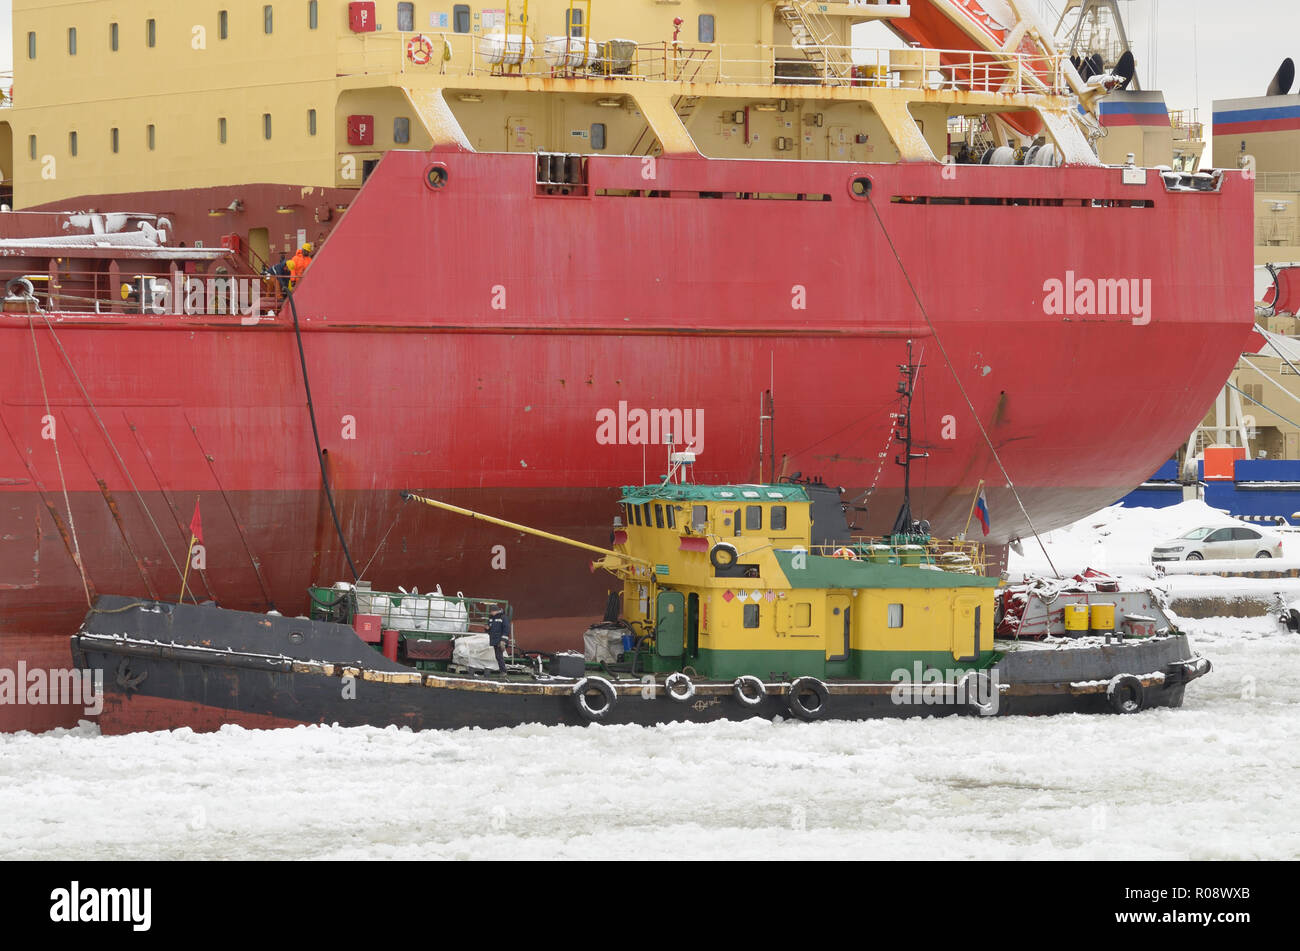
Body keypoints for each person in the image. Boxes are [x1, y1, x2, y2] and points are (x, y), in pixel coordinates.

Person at [487, 607, 511, 674]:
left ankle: (503, 671)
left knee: (499, 656)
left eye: (492, 611)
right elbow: (490, 629)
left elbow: (506, 629)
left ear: (496, 611)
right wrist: (487, 629)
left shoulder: (503, 617)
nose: (491, 613)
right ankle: (503, 670)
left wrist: (503, 640)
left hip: (500, 640)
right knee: (498, 656)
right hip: (495, 640)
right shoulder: (491, 618)